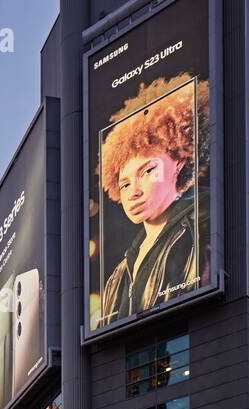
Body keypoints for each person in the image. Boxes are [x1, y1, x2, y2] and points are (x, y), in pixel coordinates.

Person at [92, 74, 211, 332]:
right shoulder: (119, 273)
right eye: (124, 184)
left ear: (179, 161)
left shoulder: (204, 226)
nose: (133, 192)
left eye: (147, 171)